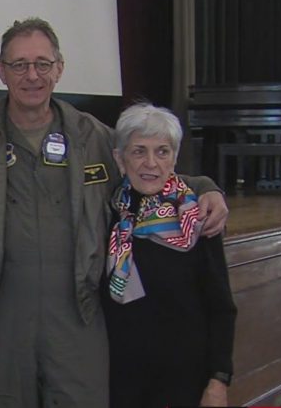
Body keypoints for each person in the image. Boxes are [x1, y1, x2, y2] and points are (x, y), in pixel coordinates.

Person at [0, 17, 230, 407]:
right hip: (3, 314)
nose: (32, 75)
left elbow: (148, 170)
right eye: (19, 64)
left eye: (43, 63)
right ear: (0, 71)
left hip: (78, 313)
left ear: (59, 68)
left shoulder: (91, 135)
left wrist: (207, 187)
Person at [103, 103, 237, 408]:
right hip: (121, 378)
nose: (151, 162)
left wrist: (219, 380)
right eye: (138, 151)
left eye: (162, 151)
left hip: (185, 378)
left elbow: (221, 307)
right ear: (119, 159)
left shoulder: (198, 217)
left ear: (174, 158)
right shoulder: (106, 212)